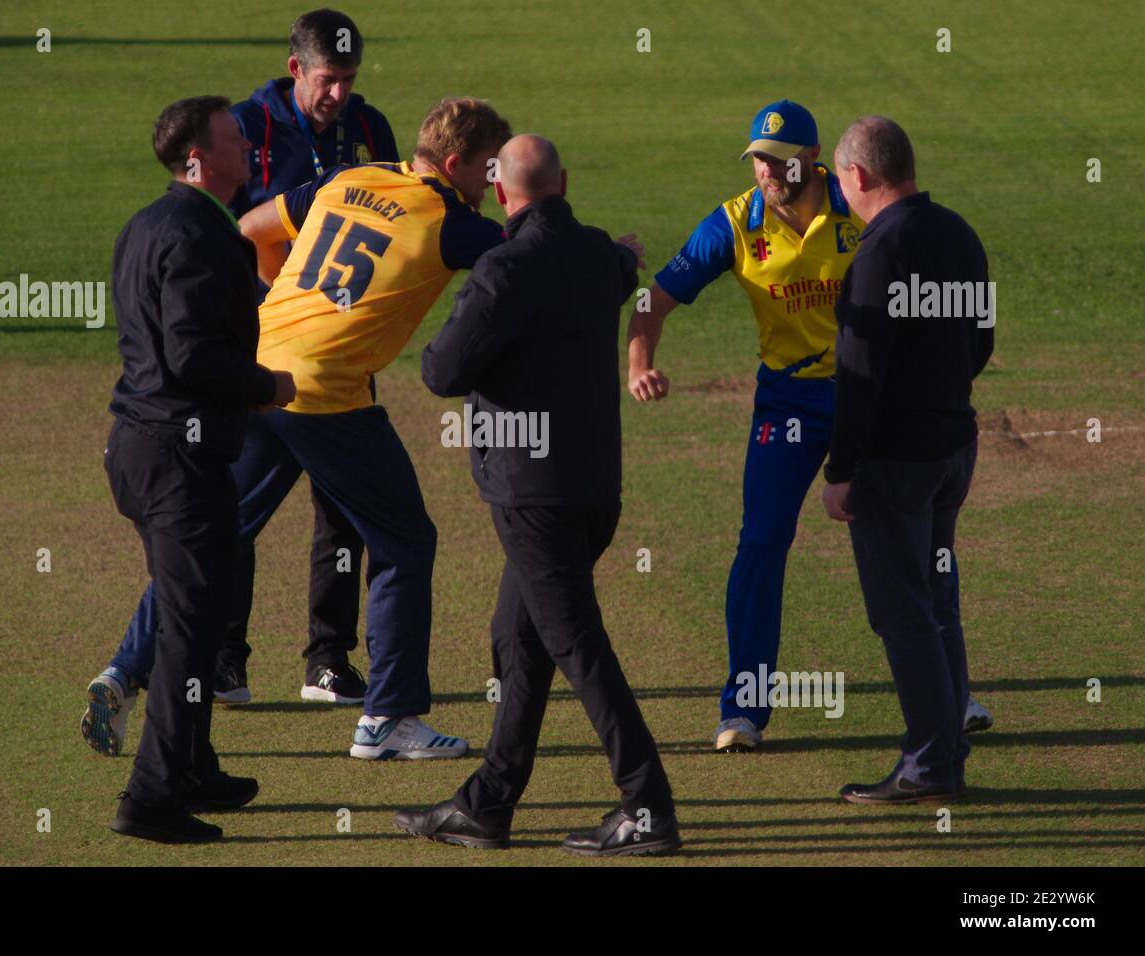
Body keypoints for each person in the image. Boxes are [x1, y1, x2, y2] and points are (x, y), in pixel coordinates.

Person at [626, 99, 993, 752]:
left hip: (876, 403)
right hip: (790, 405)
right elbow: (656, 295)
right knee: (762, 543)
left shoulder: (859, 210)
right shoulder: (736, 223)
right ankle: (744, 707)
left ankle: (952, 695)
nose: (766, 171)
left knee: (918, 547)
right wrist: (640, 360)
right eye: (758, 159)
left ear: (814, 161)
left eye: (780, 160)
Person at [83, 10, 398, 758]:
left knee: (339, 517)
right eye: (327, 80)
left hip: (335, 361)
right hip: (258, 368)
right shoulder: (240, 130)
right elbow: (220, 236)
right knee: (223, 525)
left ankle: (328, 660)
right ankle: (211, 661)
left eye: (349, 81)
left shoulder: (369, 129)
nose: (338, 95)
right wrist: (262, 334)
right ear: (296, 68)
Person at [395, 135, 681, 856]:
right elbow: (620, 266)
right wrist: (619, 252)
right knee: (517, 641)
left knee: (578, 649)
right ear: (564, 182)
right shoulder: (595, 255)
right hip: (593, 491)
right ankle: (487, 804)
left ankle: (647, 808)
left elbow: (441, 371)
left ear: (500, 193)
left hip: (533, 497)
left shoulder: (504, 267)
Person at [231, 97, 512, 760]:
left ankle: (126, 672)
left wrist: (276, 304)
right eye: (487, 168)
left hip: (259, 371)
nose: (492, 183)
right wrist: (612, 257)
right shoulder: (449, 219)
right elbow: (538, 263)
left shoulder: (355, 176)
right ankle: (388, 717)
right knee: (405, 541)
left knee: (211, 532)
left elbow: (251, 228)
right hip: (326, 393)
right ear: (453, 163)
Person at [104, 96, 296, 843]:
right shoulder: (203, 237)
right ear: (195, 159)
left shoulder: (145, 225)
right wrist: (265, 387)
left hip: (141, 445)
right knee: (189, 627)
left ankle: (192, 766)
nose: (246, 145)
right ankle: (151, 797)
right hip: (178, 456)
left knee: (202, 608)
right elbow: (190, 356)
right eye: (231, 138)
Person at [822, 116, 993, 804]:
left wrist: (840, 473)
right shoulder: (959, 233)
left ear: (859, 176)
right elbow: (981, 339)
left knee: (904, 612)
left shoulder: (879, 252)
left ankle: (929, 764)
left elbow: (858, 377)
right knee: (937, 602)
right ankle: (944, 749)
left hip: (895, 463)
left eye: (839, 177)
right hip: (953, 447)